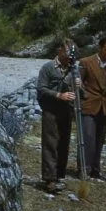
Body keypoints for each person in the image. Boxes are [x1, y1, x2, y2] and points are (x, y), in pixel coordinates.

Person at [36, 38, 77, 194]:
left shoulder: (73, 69)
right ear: (60, 51)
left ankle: (60, 175)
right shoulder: (48, 68)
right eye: (68, 52)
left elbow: (81, 93)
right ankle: (49, 178)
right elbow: (41, 88)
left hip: (66, 111)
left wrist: (79, 85)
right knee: (50, 144)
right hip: (51, 110)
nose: (70, 57)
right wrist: (59, 95)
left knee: (63, 144)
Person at [77, 37, 106, 179]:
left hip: (105, 107)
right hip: (89, 106)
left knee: (100, 139)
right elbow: (78, 84)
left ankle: (96, 169)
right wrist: (82, 98)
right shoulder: (86, 62)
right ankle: (84, 169)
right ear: (100, 48)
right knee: (88, 138)